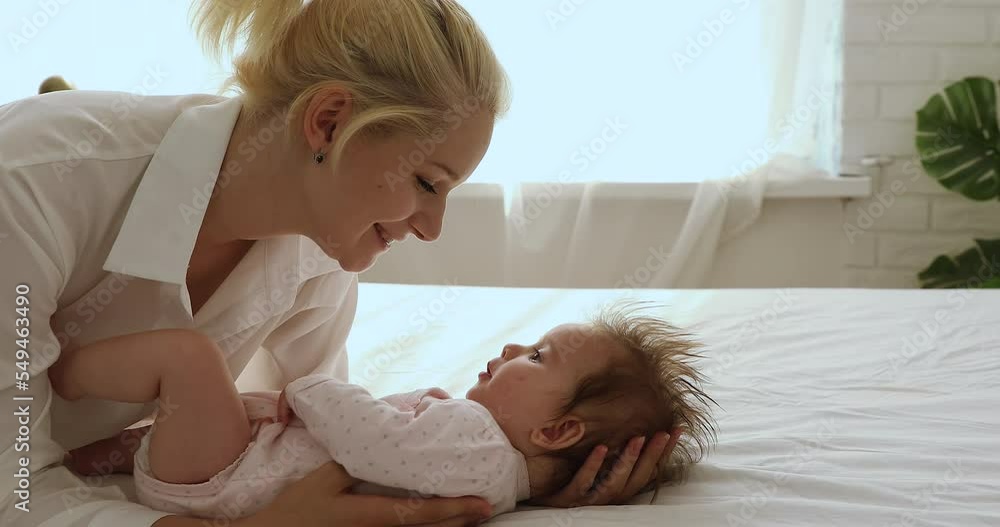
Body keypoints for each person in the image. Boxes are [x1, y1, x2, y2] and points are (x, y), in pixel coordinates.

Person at [0, 1, 678, 525]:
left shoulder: (320, 260)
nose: (432, 227)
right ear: (327, 122)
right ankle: (61, 100)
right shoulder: (25, 187)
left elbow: (289, 457)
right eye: (428, 183)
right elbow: (15, 489)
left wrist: (532, 478)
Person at [46, 303, 712, 522]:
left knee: (189, 358)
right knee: (203, 405)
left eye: (537, 357)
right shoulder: (502, 476)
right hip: (244, 469)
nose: (511, 347)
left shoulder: (478, 440)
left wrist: (310, 389)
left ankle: (58, 368)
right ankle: (105, 458)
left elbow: (372, 440)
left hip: (226, 475)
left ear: (557, 430)